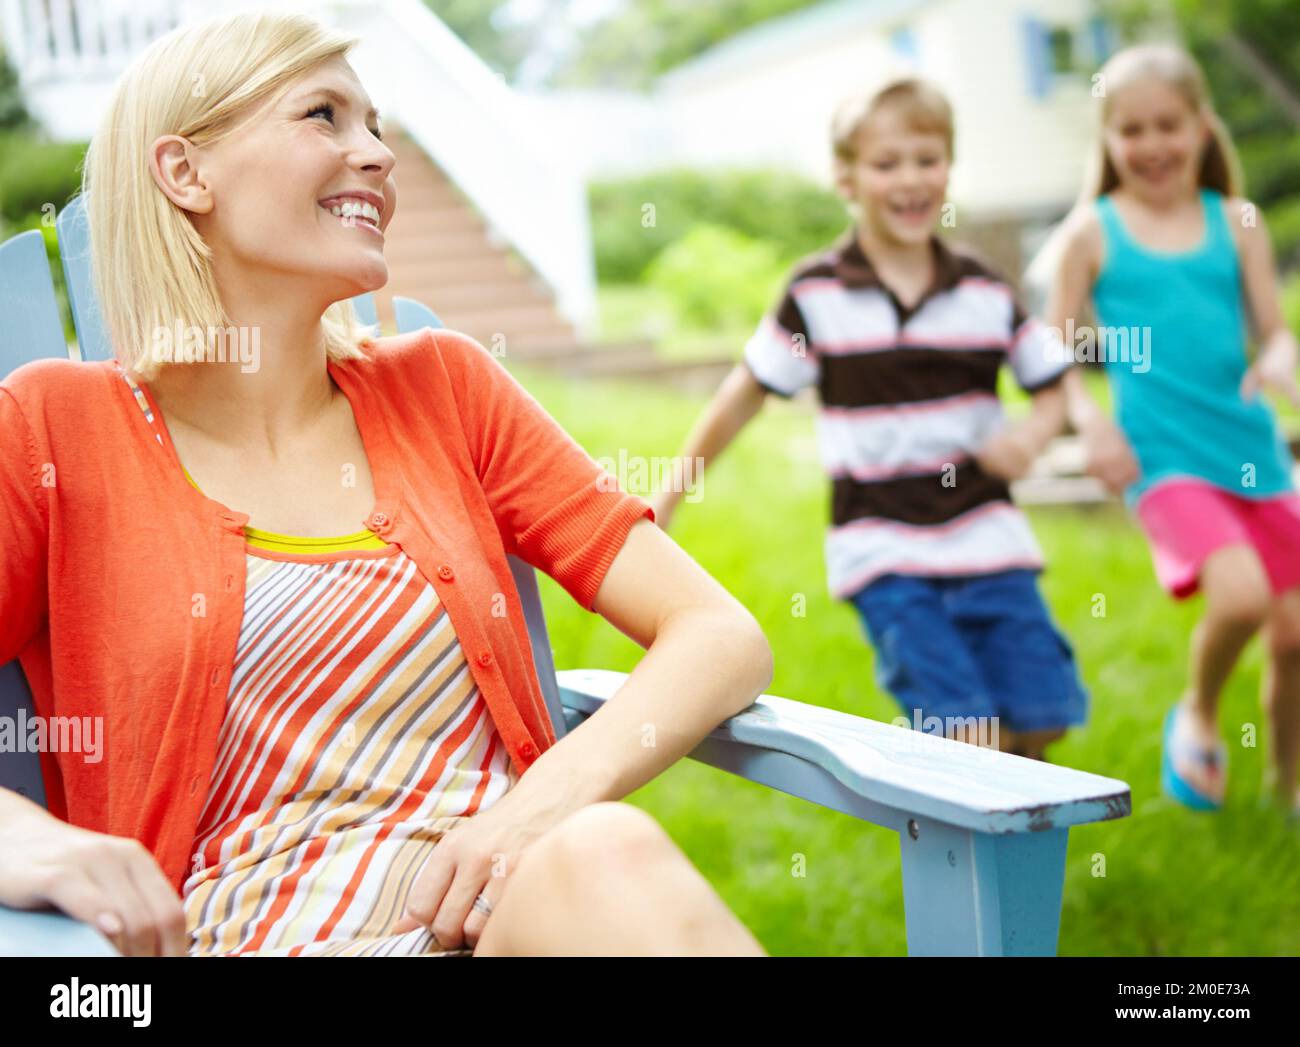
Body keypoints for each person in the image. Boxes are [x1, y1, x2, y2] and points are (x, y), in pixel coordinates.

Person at [0, 11, 774, 957]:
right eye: (322, 116)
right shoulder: (56, 430)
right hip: (264, 932)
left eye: (375, 125)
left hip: (507, 916)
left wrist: (537, 813)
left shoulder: (445, 387)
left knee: (600, 854)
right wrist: (36, 842)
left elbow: (719, 633)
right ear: (184, 172)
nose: (374, 153)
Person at [651, 79, 1088, 760]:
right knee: (969, 733)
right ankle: (955, 828)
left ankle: (1009, 842)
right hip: (884, 549)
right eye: (887, 163)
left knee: (1041, 720)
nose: (910, 179)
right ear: (846, 177)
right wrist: (670, 492)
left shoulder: (982, 287)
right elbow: (744, 394)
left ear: (948, 166)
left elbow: (1054, 381)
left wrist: (1033, 435)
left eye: (927, 159)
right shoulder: (817, 293)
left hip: (989, 537)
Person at [1046, 43, 1300, 816]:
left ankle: (1288, 786)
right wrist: (1089, 423)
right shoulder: (1092, 232)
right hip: (1162, 455)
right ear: (1109, 139)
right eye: (1132, 130)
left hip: (1251, 447)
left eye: (1168, 125)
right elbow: (1048, 353)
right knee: (1243, 596)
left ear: (1200, 126)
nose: (1152, 145)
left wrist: (1283, 360)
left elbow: (1273, 330)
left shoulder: (1238, 221)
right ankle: (1197, 707)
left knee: (1294, 636)